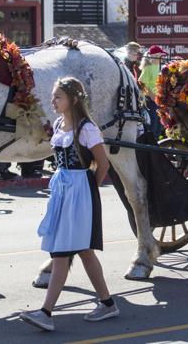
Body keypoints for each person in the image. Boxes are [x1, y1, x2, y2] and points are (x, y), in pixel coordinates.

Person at [20, 77, 118, 332]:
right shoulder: (59, 124)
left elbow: (103, 164)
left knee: (62, 252)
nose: (53, 101)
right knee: (83, 251)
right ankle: (108, 304)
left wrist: (87, 190)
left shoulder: (86, 129)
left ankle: (45, 313)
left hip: (79, 191)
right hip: (63, 190)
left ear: (73, 99)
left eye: (58, 97)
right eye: (54, 96)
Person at [138, 45, 166, 137]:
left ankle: (157, 141)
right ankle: (150, 143)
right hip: (150, 100)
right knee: (152, 123)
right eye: (159, 56)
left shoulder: (161, 67)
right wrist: (152, 95)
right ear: (153, 56)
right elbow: (142, 82)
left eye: (161, 56)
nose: (161, 58)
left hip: (159, 99)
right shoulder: (148, 67)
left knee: (159, 124)